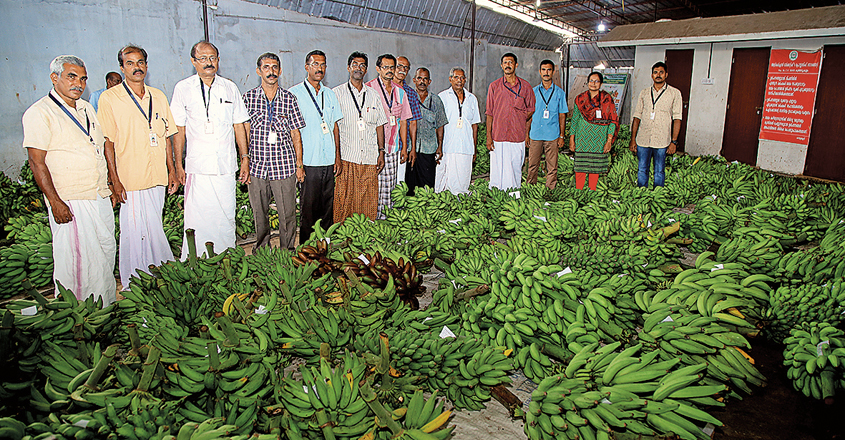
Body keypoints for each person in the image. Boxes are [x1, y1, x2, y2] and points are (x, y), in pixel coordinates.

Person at [22, 55, 116, 304]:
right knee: (78, 259)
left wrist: (110, 184)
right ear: (55, 78)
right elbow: (36, 162)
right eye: (71, 76)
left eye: (83, 78)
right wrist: (55, 201)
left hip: (97, 192)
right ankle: (77, 313)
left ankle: (104, 306)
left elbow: (99, 145)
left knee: (104, 250)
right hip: (70, 197)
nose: (79, 83)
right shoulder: (40, 112)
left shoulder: (86, 108)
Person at [98, 45, 179, 289]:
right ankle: (134, 281)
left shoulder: (158, 96)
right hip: (129, 177)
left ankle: (159, 276)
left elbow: (166, 136)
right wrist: (114, 179)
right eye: (131, 63)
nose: (137, 67)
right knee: (133, 232)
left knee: (154, 226)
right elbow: (108, 143)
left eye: (141, 62)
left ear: (146, 65)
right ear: (122, 68)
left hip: (157, 175)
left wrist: (172, 170)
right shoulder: (109, 98)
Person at [170, 41, 250, 257]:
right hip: (198, 166)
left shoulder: (229, 87)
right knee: (198, 216)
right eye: (203, 58)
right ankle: (196, 259)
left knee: (225, 215)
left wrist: (245, 158)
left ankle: (226, 256)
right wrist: (178, 164)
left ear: (219, 60)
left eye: (212, 57)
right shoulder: (183, 88)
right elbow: (179, 130)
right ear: (193, 61)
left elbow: (239, 125)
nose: (209, 62)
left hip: (225, 164)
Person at [242, 53, 306, 250]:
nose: (271, 71)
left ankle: (287, 251)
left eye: (275, 67)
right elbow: (244, 131)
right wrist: (244, 160)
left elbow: (296, 134)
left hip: (284, 167)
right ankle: (261, 250)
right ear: (258, 71)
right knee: (259, 213)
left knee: (287, 214)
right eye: (267, 67)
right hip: (257, 167)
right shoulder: (249, 98)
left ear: (280, 70)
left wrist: (299, 165)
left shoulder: (289, 98)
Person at [290, 50, 343, 244]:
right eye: (315, 64)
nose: (319, 68)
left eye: (322, 65)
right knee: (308, 208)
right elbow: (292, 131)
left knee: (327, 207)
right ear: (307, 67)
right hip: (309, 160)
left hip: (328, 159)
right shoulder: (294, 94)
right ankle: (307, 247)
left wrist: (338, 156)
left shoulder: (330, 94)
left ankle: (325, 246)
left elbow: (334, 126)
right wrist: (298, 164)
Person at [333, 52, 388, 222]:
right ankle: (342, 238)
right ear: (348, 68)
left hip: (370, 158)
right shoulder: (337, 93)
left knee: (367, 201)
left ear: (366, 71)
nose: (359, 68)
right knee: (344, 201)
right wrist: (337, 157)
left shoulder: (373, 95)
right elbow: (334, 126)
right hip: (348, 157)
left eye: (362, 65)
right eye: (355, 64)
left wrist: (381, 152)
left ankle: (365, 236)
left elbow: (379, 125)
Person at [366, 54, 412, 219]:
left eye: (392, 67)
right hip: (372, 147)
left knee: (389, 186)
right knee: (373, 185)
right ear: (378, 69)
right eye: (385, 67)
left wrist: (404, 147)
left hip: (392, 146)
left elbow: (404, 121)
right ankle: (371, 218)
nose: (390, 71)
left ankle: (385, 220)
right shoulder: (369, 89)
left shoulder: (400, 92)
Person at [486, 53, 535, 190]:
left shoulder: (525, 86)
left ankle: (513, 196)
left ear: (516, 65)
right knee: (497, 169)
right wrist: (489, 138)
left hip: (517, 136)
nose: (508, 65)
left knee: (515, 168)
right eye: (505, 63)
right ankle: (497, 196)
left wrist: (519, 117)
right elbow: (489, 113)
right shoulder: (494, 86)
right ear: (501, 66)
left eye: (511, 62)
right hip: (499, 136)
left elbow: (531, 109)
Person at [629, 61, 682, 187]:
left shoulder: (674, 93)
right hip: (643, 139)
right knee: (642, 170)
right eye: (655, 72)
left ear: (666, 75)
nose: (658, 75)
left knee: (659, 171)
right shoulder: (644, 93)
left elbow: (677, 119)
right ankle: (642, 194)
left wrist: (673, 141)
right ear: (652, 75)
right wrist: (633, 139)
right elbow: (637, 117)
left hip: (662, 140)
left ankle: (657, 196)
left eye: (661, 72)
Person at [568, 72, 619, 191]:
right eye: (591, 81)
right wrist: (572, 138)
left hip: (599, 140)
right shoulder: (580, 99)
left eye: (596, 81)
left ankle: (592, 191)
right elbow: (575, 119)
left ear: (601, 83)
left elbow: (613, 120)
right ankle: (579, 192)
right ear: (587, 82)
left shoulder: (607, 99)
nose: (593, 84)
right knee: (581, 167)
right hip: (582, 139)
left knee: (594, 168)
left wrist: (609, 140)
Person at [436, 67, 481, 194]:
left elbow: (475, 125)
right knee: (444, 178)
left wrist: (474, 147)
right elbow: (438, 124)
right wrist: (438, 146)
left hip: (466, 146)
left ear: (465, 80)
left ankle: (461, 202)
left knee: (463, 178)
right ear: (450, 79)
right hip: (447, 146)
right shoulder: (442, 97)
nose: (459, 80)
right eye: (456, 77)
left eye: (462, 78)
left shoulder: (472, 98)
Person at [527, 59, 568, 189]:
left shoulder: (560, 93)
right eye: (544, 70)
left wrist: (561, 136)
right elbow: (529, 116)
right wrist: (526, 135)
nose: (546, 72)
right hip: (536, 134)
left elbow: (562, 115)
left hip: (552, 135)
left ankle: (550, 190)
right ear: (540, 72)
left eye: (549, 70)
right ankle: (531, 188)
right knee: (533, 164)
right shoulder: (533, 92)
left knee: (552, 166)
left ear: (553, 72)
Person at [406, 67, 447, 193]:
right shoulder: (408, 98)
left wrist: (440, 146)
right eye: (419, 78)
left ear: (429, 82)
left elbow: (440, 125)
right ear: (414, 80)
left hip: (428, 149)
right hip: (410, 148)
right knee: (410, 185)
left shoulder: (436, 101)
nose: (422, 81)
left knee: (428, 184)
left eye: (425, 79)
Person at [393, 56, 421, 183]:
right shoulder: (383, 89)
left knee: (399, 181)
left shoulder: (411, 93)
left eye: (406, 68)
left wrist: (412, 148)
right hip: (385, 145)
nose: (402, 70)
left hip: (402, 146)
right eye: (399, 66)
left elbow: (413, 123)